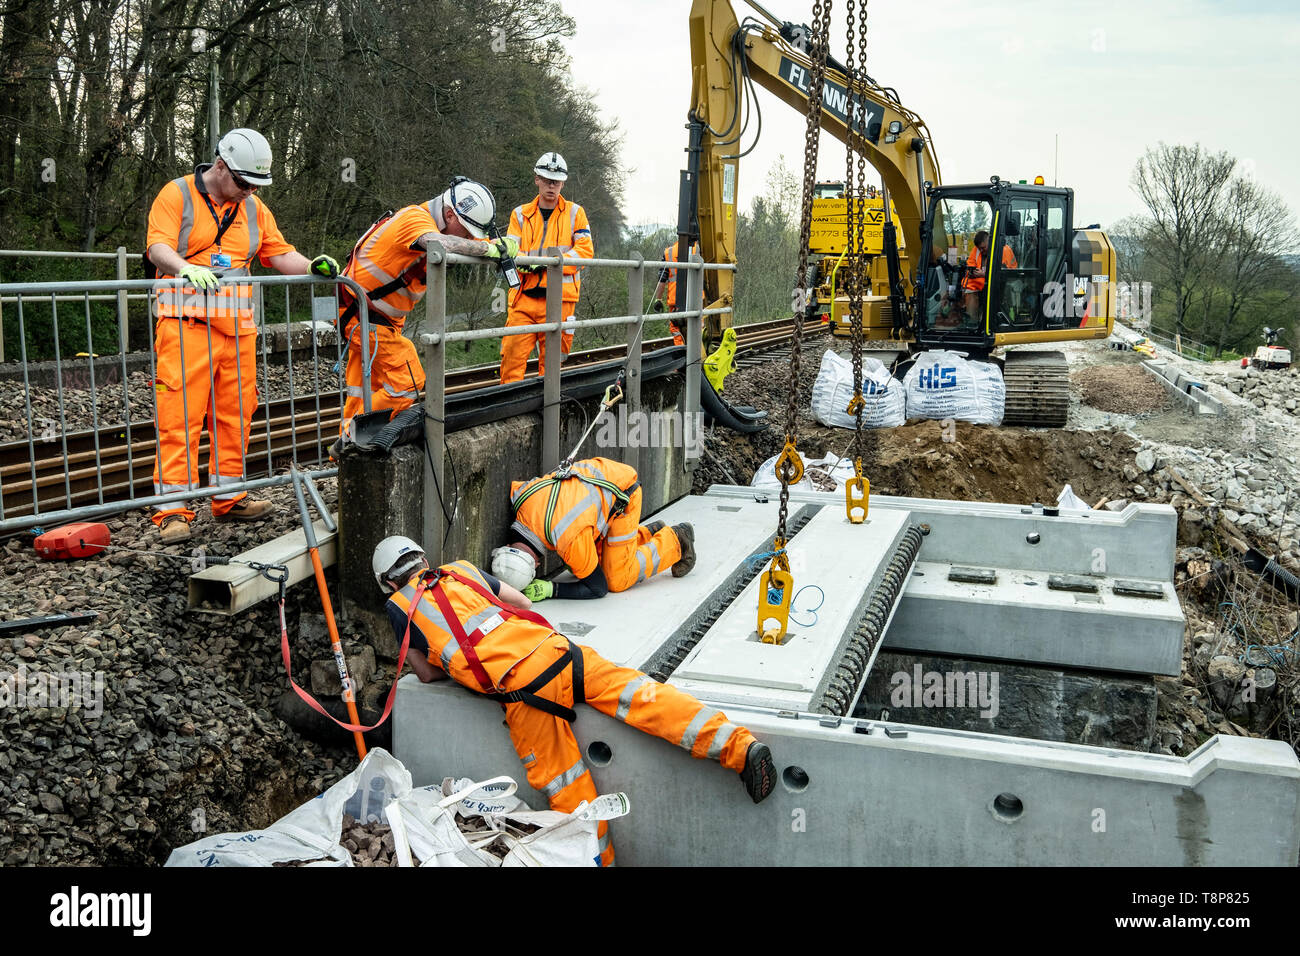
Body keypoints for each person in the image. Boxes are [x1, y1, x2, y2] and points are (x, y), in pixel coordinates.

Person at [373, 537, 777, 866]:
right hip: (558, 650)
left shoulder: (399, 606)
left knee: (569, 789)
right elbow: (523, 603)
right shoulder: (459, 569)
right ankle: (740, 747)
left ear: (388, 582)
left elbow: (427, 675)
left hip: (524, 690)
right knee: (646, 699)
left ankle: (601, 863)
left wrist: (454, 655)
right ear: (422, 559)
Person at [146, 128, 340, 544]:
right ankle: (172, 510)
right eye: (243, 183)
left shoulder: (253, 207)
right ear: (220, 166)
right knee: (179, 418)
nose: (249, 191)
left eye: (256, 185)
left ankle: (228, 497)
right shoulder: (176, 195)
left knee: (236, 416)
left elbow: (278, 253)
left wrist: (312, 266)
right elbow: (156, 247)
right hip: (185, 326)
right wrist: (183, 268)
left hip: (237, 333)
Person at [337, 177, 517, 437]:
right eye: (466, 230)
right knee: (407, 381)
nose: (468, 238)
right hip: (362, 318)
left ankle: (347, 453)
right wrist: (489, 248)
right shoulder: (415, 219)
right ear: (448, 214)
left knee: (361, 390)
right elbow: (440, 244)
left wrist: (494, 247)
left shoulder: (429, 221)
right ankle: (351, 437)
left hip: (371, 319)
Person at [493, 456, 693, 602]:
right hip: (600, 476)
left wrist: (551, 589)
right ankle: (648, 533)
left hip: (624, 493)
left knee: (616, 578)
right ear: (508, 545)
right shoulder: (521, 498)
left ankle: (677, 540)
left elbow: (598, 588)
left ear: (535, 566)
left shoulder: (568, 539)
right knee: (583, 564)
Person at [499, 152, 594, 383]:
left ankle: (548, 411)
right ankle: (508, 412)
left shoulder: (575, 213)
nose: (552, 186)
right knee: (511, 359)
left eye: (556, 181)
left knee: (552, 367)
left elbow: (584, 251)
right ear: (537, 179)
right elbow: (512, 250)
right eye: (547, 180)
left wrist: (547, 263)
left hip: (559, 301)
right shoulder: (520, 215)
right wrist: (527, 263)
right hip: (523, 299)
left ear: (563, 183)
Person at [651, 239, 699, 346]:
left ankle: (681, 351)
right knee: (697, 325)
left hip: (675, 299)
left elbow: (662, 279)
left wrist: (658, 299)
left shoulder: (669, 252)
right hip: (696, 298)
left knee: (676, 328)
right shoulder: (699, 249)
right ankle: (697, 352)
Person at [960, 229, 991, 321]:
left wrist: (985, 274)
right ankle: (972, 322)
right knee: (968, 290)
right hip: (979, 283)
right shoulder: (977, 250)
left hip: (995, 284)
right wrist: (971, 271)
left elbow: (1003, 273)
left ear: (989, 242)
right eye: (979, 248)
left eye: (983, 248)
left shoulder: (1002, 250)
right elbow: (971, 263)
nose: (981, 251)